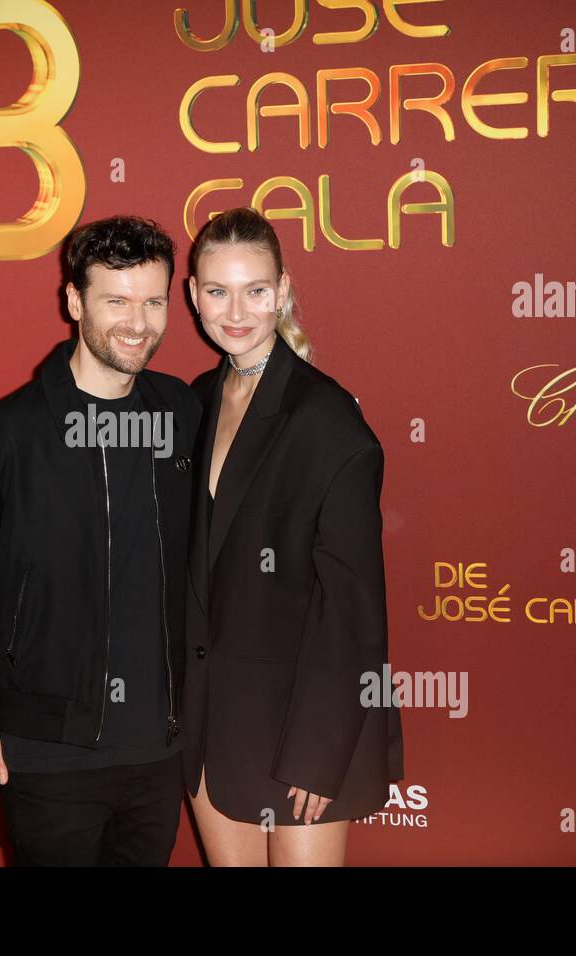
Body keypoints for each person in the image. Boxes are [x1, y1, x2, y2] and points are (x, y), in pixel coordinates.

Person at [0, 215, 202, 866]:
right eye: (115, 301)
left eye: (153, 302)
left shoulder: (182, 414)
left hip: (158, 754)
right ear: (74, 300)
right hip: (48, 752)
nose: (137, 323)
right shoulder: (5, 436)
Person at [181, 206, 404, 866]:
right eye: (217, 291)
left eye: (255, 290)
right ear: (192, 296)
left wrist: (320, 751)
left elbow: (354, 607)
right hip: (212, 721)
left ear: (282, 290)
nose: (236, 311)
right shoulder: (190, 403)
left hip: (305, 724)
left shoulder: (328, 421)